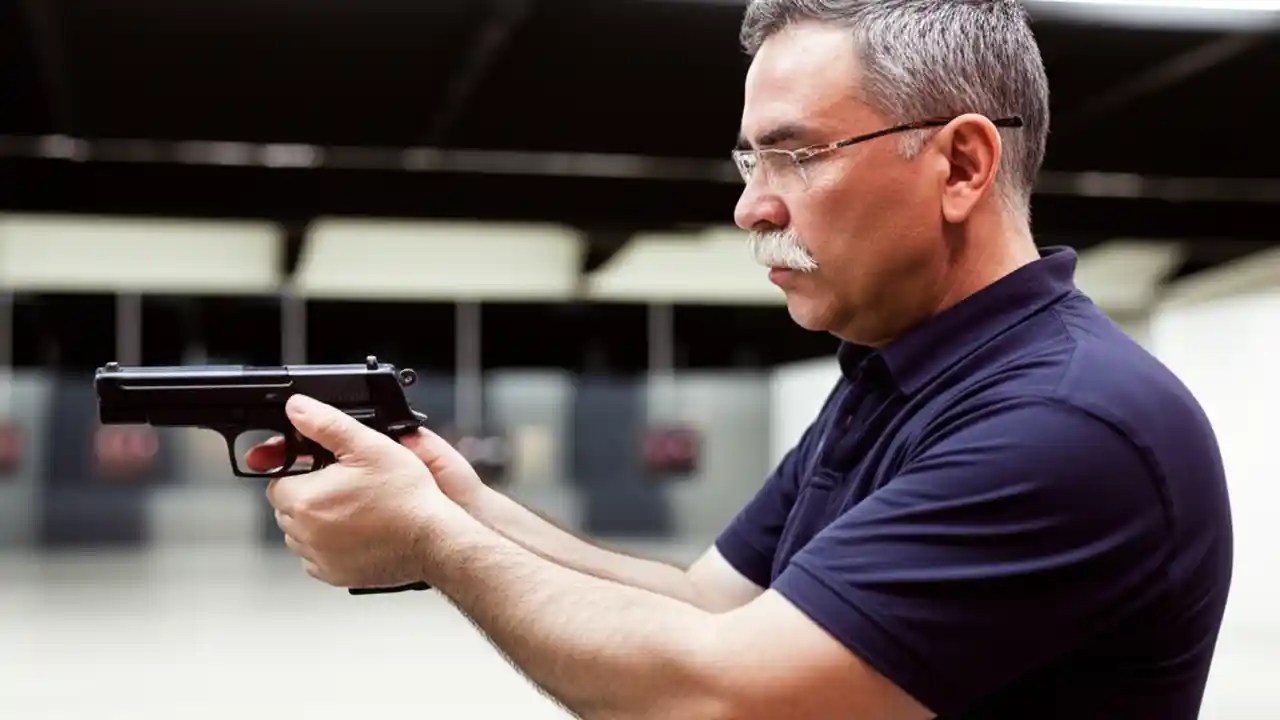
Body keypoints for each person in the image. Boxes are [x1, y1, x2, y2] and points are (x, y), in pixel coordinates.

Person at [250, 1, 1233, 718]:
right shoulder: (893, 375)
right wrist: (463, 503)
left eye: (795, 155)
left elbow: (721, 698)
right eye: (747, 161)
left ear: (960, 166)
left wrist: (431, 543)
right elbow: (705, 607)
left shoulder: (1061, 425)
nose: (749, 205)